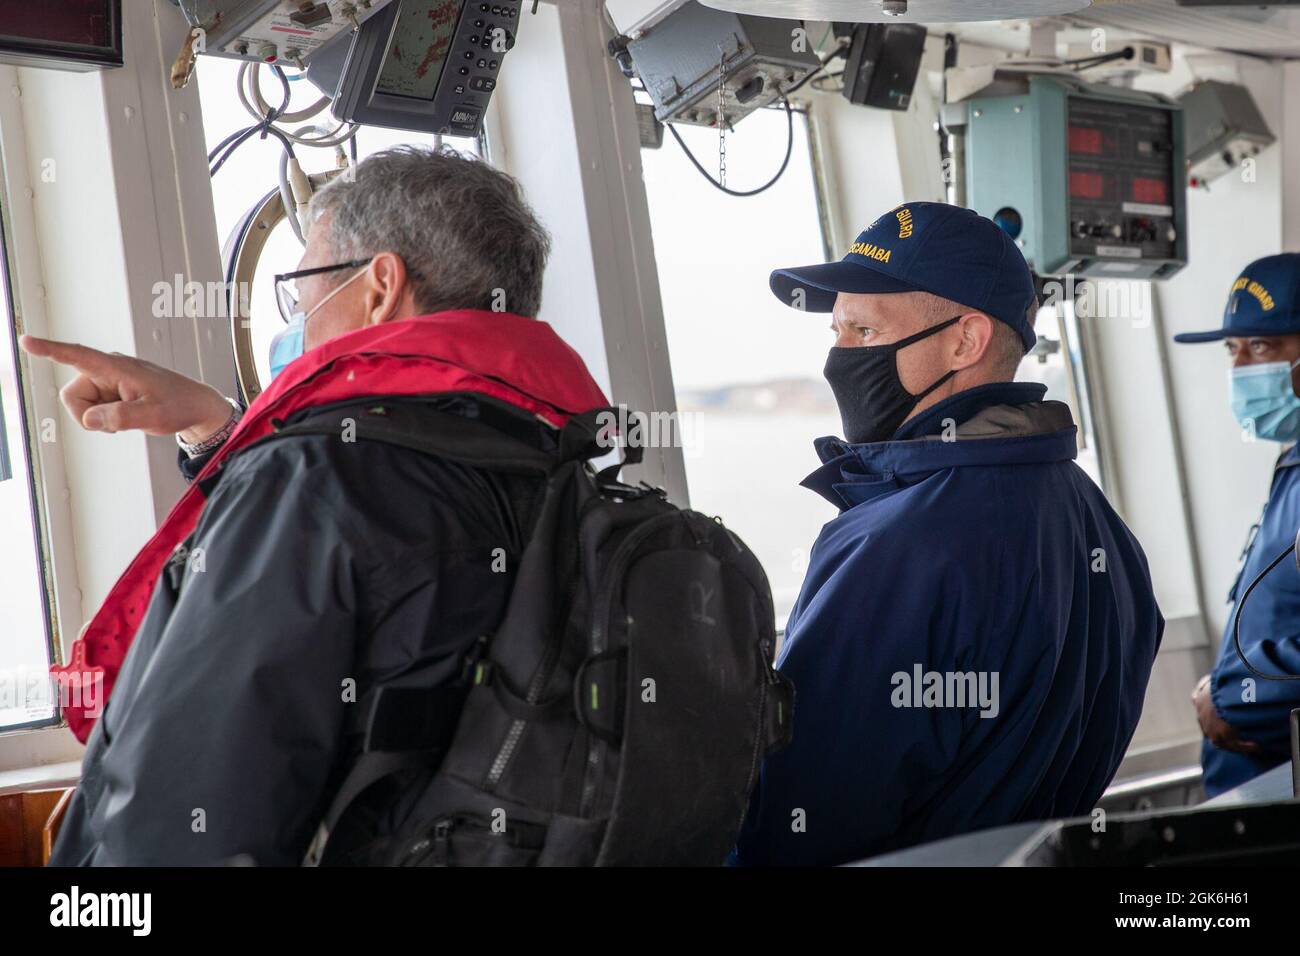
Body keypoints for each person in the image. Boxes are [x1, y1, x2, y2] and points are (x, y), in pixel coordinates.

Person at [30, 145, 610, 865]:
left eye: (302, 284)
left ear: (379, 287)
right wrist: (223, 431)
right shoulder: (565, 472)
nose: (299, 316)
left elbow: (184, 819)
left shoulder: (312, 481)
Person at [733, 201, 1164, 866]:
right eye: (837, 332)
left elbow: (798, 822)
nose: (837, 359)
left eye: (862, 332)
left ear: (966, 342)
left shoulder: (899, 547)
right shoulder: (1097, 522)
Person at [1173, 253, 1300, 797]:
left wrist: (1233, 698)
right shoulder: (1291, 469)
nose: (1240, 368)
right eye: (1233, 349)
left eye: (1263, 347)